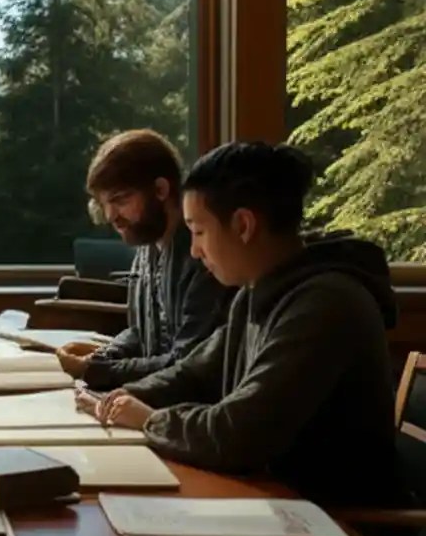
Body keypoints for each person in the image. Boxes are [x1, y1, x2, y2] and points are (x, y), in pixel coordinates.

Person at [82, 141, 408, 511]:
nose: (195, 251)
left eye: (199, 232)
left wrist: (151, 420)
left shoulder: (326, 305)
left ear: (243, 225)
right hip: (275, 502)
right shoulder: (255, 294)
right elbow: (194, 373)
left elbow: (237, 434)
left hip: (341, 526)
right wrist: (115, 398)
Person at [57, 129, 234, 389]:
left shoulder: (204, 257)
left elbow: (186, 363)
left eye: (120, 200)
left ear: (161, 189)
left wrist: (98, 371)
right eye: (104, 204)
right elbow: (142, 333)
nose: (111, 216)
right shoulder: (147, 244)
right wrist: (103, 356)